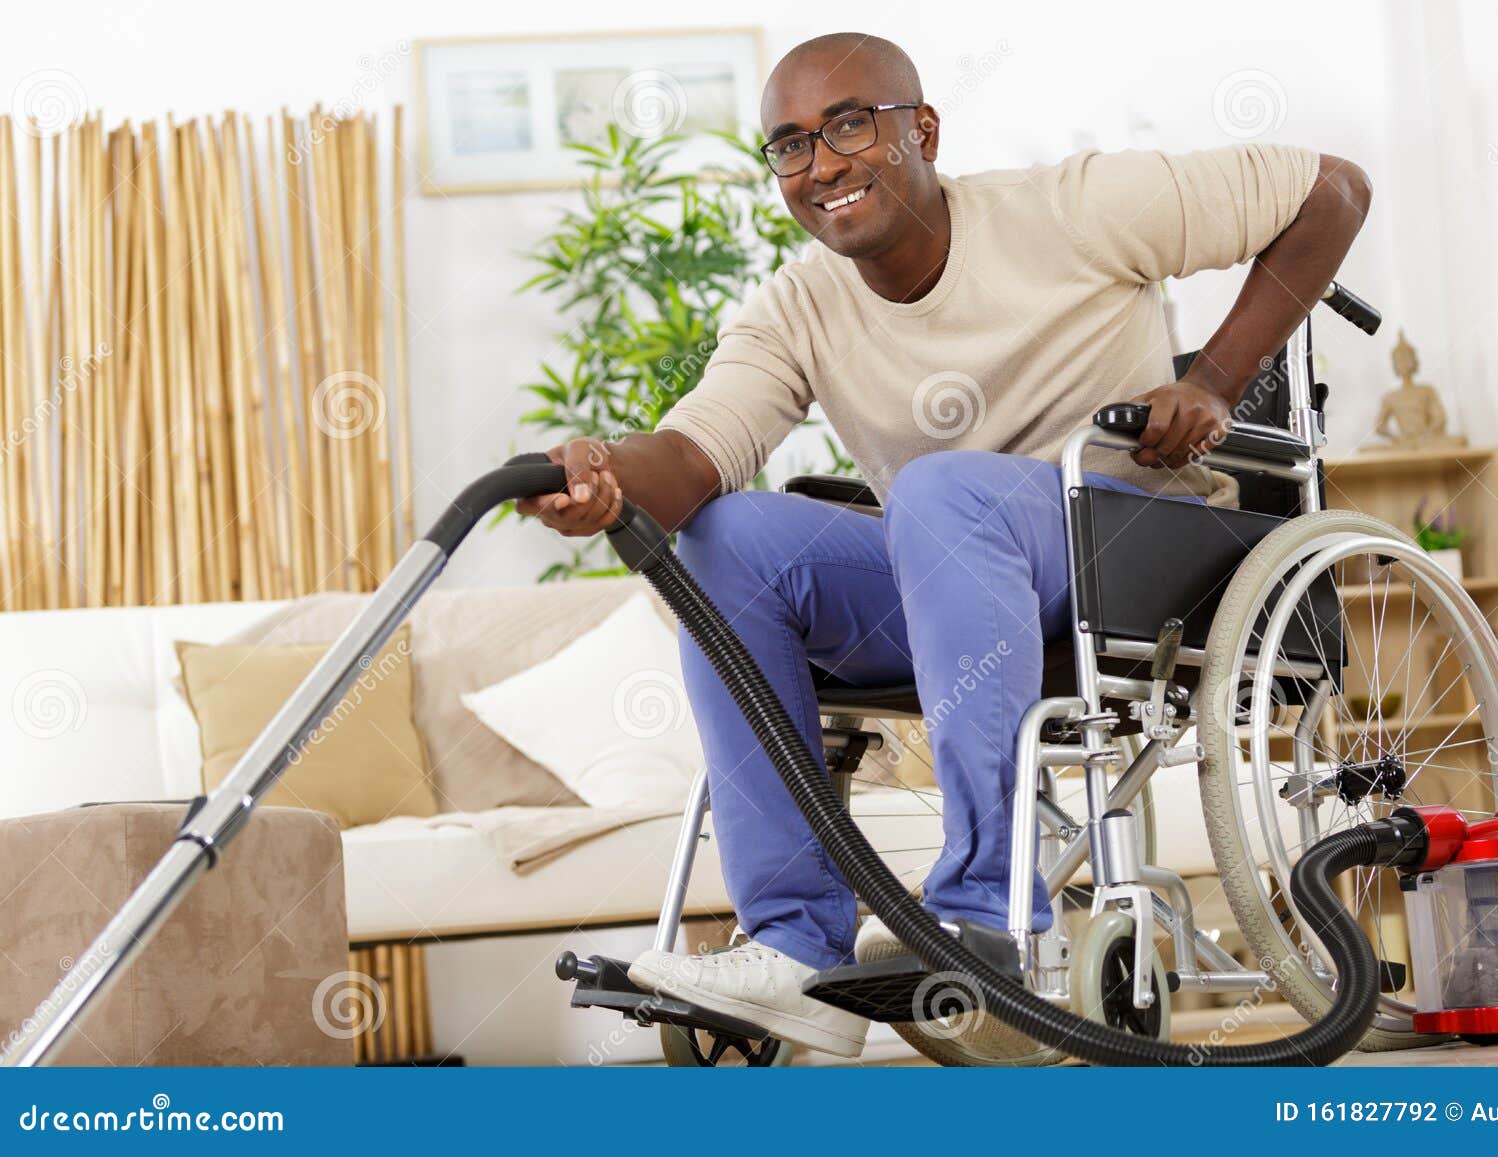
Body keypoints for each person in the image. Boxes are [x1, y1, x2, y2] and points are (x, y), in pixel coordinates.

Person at [518, 32, 1371, 1057]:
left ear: (921, 130)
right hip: (950, 568)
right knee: (721, 536)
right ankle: (790, 943)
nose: (820, 164)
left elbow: (1333, 191)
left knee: (936, 488)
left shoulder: (1074, 208)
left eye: (847, 125)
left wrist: (1212, 383)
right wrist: (604, 469)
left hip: (1127, 547)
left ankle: (982, 904)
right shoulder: (799, 306)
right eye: (790, 144)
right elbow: (694, 456)